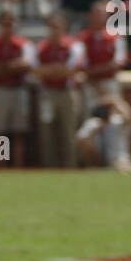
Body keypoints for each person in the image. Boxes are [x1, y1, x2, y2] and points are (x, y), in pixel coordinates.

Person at [0, 10, 36, 167]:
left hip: (19, 89)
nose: (8, 28)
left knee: (19, 131)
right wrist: (13, 66)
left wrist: (3, 67)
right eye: (5, 24)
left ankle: (18, 166)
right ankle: (2, 166)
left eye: (11, 24)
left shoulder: (23, 44)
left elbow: (27, 64)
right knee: (1, 132)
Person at [34, 11, 84, 168]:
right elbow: (35, 71)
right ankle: (50, 167)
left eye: (57, 26)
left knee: (68, 132)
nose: (54, 30)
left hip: (66, 92)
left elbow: (71, 70)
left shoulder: (73, 45)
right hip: (47, 93)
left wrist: (50, 70)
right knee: (46, 133)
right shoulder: (41, 47)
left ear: (64, 27)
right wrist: (57, 69)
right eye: (52, 26)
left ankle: (70, 167)